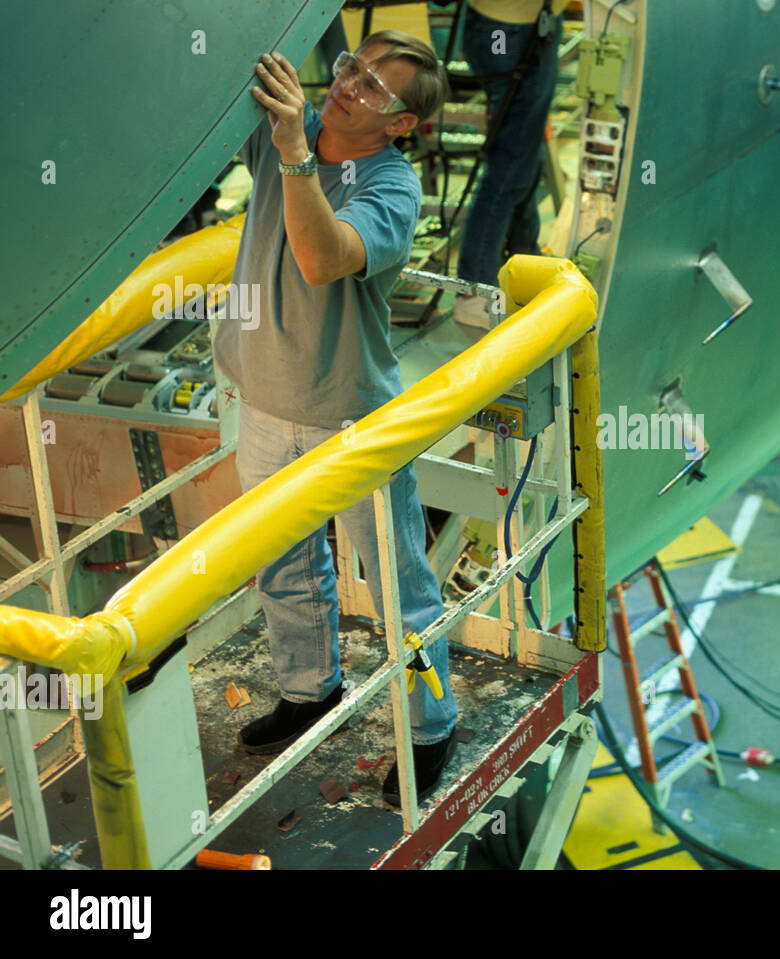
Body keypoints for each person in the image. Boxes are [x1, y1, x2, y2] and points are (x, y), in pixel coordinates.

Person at [212, 31, 460, 806]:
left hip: (349, 420)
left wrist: (293, 155)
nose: (351, 84)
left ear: (403, 126)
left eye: (377, 89)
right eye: (353, 67)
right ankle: (309, 687)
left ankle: (431, 724)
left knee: (400, 592)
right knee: (283, 565)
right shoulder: (287, 123)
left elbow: (320, 259)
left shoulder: (390, 185)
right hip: (262, 401)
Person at [454, 0, 563, 324]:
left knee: (524, 152)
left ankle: (523, 260)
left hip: (520, 24)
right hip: (512, 29)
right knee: (511, 164)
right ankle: (474, 291)